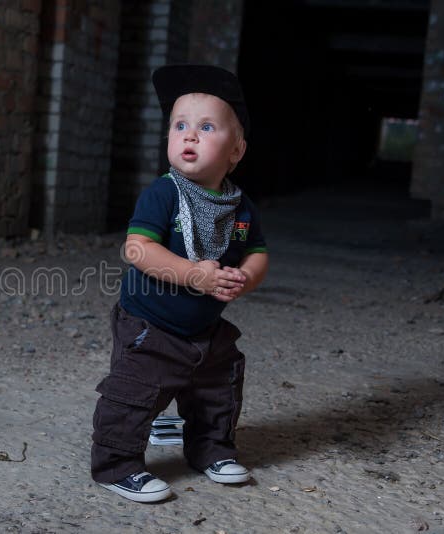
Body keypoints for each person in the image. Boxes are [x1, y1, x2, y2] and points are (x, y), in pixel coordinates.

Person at [90, 65, 269, 503]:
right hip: (150, 324)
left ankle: (212, 449)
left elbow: (257, 252)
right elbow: (137, 249)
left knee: (218, 387)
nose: (189, 135)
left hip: (204, 327)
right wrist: (194, 274)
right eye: (179, 126)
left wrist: (245, 277)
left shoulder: (239, 207)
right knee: (136, 392)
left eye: (206, 127)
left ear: (236, 150)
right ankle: (117, 465)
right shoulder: (164, 194)